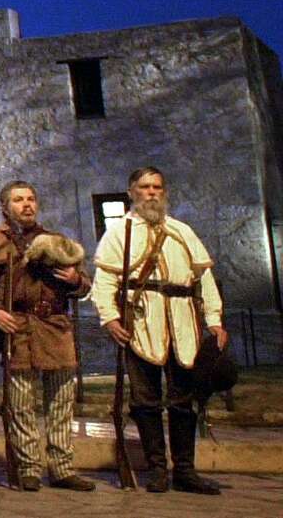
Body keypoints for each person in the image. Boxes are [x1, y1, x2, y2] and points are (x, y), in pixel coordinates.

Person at [92, 167, 226, 495]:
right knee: (145, 400)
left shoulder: (181, 230)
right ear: (132, 192)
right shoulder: (119, 233)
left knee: (184, 400)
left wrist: (215, 319)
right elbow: (105, 282)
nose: (151, 193)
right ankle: (156, 469)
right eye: (144, 187)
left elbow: (203, 278)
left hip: (183, 322)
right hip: (140, 323)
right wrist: (110, 318)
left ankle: (184, 470)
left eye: (157, 187)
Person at [0, 180, 94, 492]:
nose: (27, 205)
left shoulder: (57, 242)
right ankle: (28, 468)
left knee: (61, 403)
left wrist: (76, 280)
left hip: (55, 328)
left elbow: (85, 286)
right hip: (17, 329)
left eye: (31, 199)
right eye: (19, 199)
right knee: (21, 405)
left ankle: (62, 468)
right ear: (5, 207)